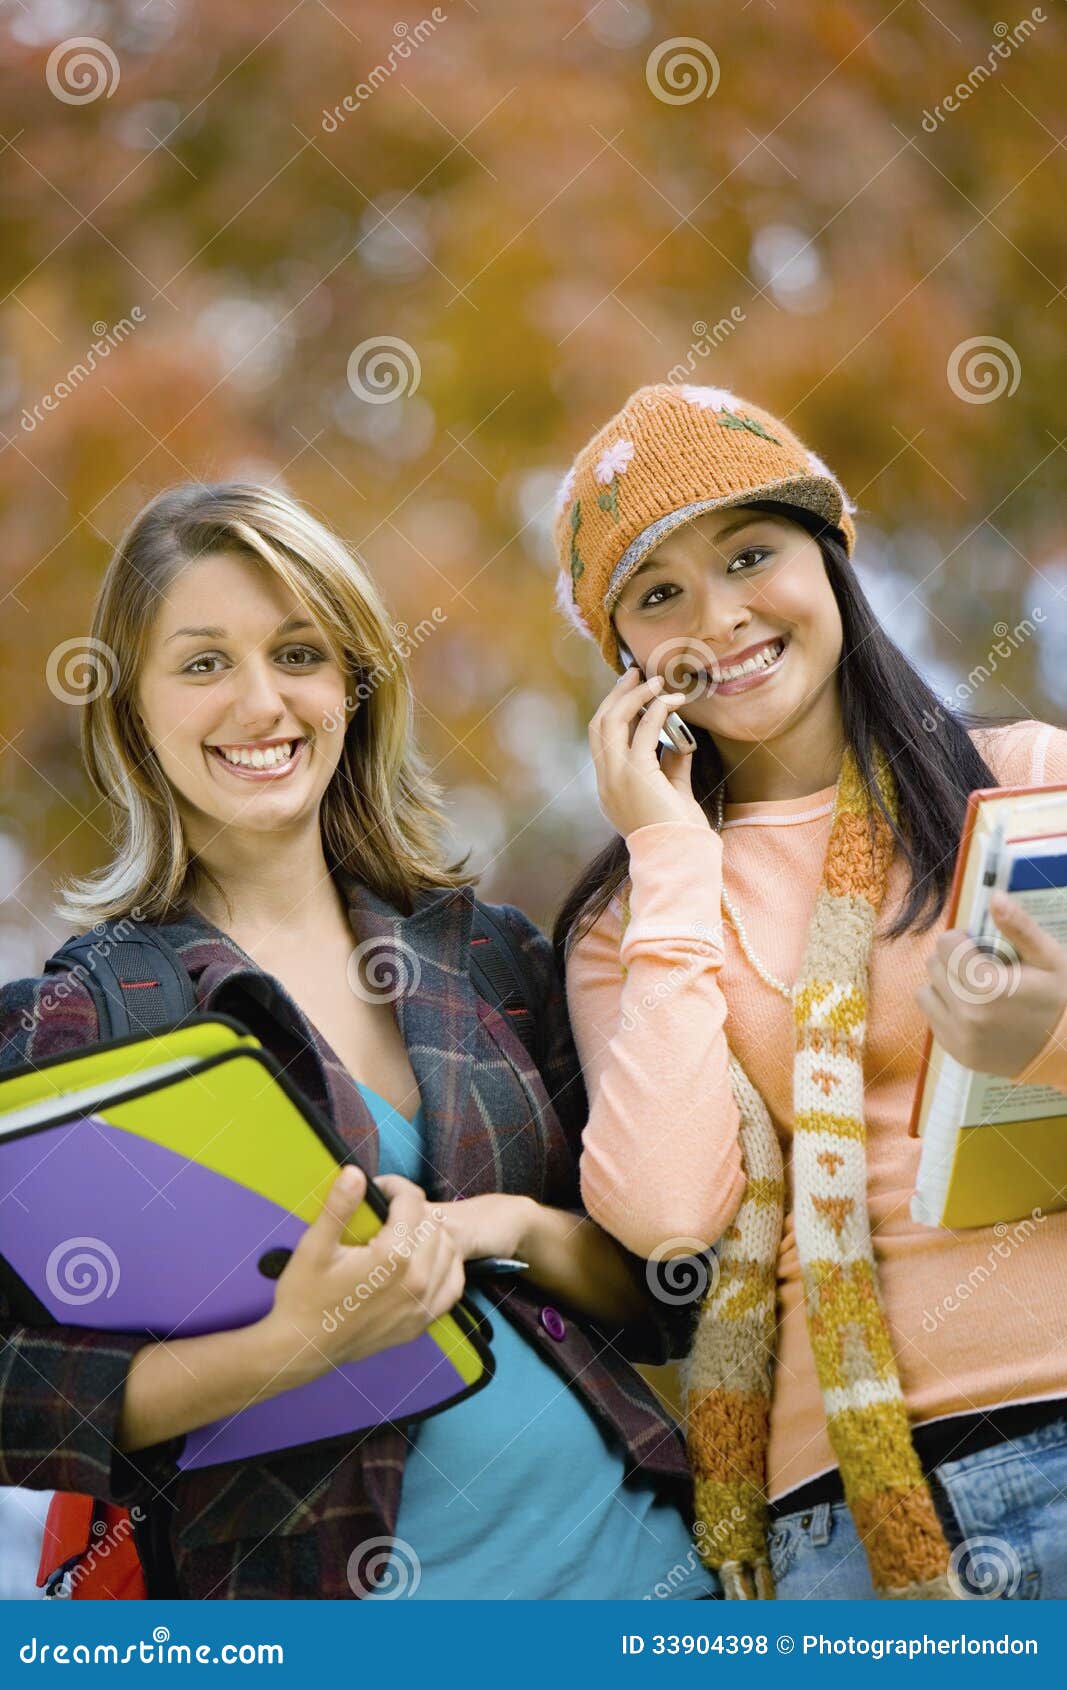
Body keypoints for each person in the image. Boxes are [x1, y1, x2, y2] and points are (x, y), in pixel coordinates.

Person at [0, 481, 717, 1600]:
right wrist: (291, 1347)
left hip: (652, 1585)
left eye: (298, 653)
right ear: (131, 710)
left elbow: (673, 1289)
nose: (260, 703)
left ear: (351, 685)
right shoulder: (87, 1018)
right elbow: (17, 1393)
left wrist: (513, 1225)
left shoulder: (486, 955)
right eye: (202, 664)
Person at [550, 384, 1067, 1601]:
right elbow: (665, 1210)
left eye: (748, 555)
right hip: (830, 1527)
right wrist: (667, 851)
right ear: (624, 656)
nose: (718, 616)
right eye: (658, 593)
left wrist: (1044, 1037)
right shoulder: (631, 916)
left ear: (828, 555)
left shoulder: (1021, 780)